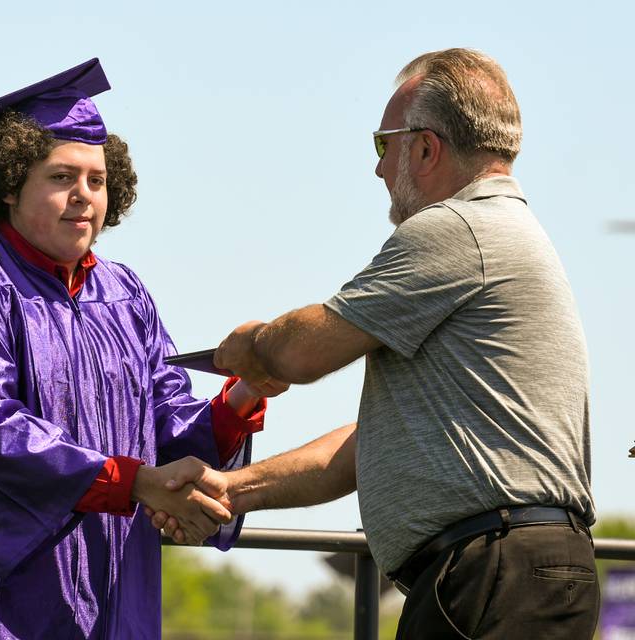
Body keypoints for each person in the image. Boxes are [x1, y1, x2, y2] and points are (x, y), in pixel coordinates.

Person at [152, 48, 600, 639]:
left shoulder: (457, 228)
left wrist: (250, 347)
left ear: (424, 147)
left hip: (493, 574)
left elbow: (298, 355)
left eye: (382, 144)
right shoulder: (504, 232)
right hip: (519, 572)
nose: (380, 169)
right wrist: (229, 491)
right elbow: (374, 448)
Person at [0, 59, 286, 640]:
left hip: (108, 586)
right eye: (62, 177)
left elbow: (164, 419)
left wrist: (246, 389)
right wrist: (128, 480)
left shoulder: (125, 293)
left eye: (97, 179)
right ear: (9, 185)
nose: (84, 197)